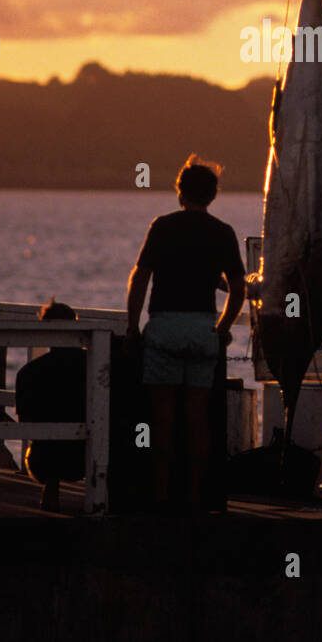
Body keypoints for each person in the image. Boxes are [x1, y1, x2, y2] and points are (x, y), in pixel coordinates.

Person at [125, 155, 245, 510]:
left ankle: (161, 496)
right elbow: (238, 290)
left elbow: (140, 279)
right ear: (213, 195)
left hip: (164, 326)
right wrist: (221, 329)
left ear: (180, 192)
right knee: (198, 420)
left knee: (161, 419)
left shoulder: (162, 227)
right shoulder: (223, 233)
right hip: (201, 330)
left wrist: (133, 328)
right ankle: (195, 498)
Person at [16, 299, 86, 513]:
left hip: (43, 460)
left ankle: (51, 488)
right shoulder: (92, 365)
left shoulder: (29, 372)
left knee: (46, 439)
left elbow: (24, 421)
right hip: (84, 455)